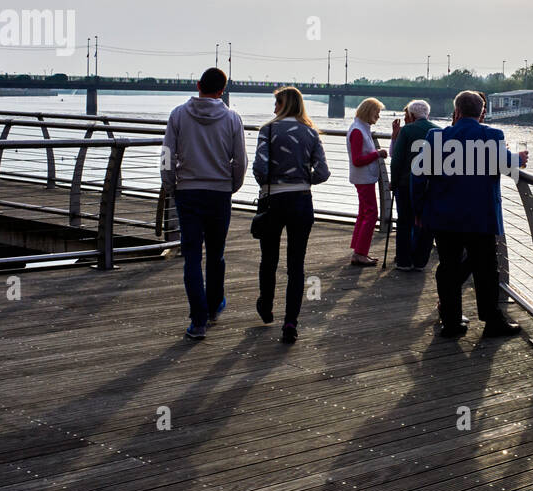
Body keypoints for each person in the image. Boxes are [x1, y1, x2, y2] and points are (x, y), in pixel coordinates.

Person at [412, 90, 529, 339]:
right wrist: (517, 157)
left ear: (456, 112)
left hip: (445, 217)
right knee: (486, 269)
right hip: (481, 217)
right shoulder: (492, 135)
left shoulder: (436, 137)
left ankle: (451, 323)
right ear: (482, 113)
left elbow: (418, 175)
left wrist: (419, 209)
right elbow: (507, 164)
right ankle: (491, 321)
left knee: (448, 267)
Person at [161, 68, 246, 340]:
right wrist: (232, 185)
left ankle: (198, 322)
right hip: (219, 193)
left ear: (198, 85)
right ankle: (213, 306)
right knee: (216, 253)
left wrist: (171, 184)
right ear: (223, 90)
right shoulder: (233, 118)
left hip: (188, 192)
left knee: (192, 257)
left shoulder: (178, 115)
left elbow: (166, 155)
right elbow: (240, 160)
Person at [253, 86, 330, 343]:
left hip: (272, 200)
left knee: (269, 259)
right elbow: (322, 172)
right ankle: (290, 323)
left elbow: (260, 168)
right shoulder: (310, 132)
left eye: (276, 103)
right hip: (301, 201)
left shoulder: (268, 130)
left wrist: (271, 181)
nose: (273, 109)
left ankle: (266, 306)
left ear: (282, 105)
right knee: (296, 265)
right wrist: (301, 178)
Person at [388, 99, 436, 271]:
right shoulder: (439, 130)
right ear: (427, 114)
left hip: (406, 183)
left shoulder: (407, 130)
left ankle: (404, 261)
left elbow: (397, 159)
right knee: (426, 222)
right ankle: (421, 260)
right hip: (430, 185)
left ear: (411, 115)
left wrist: (393, 182)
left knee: (405, 221)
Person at [346, 97, 387, 266]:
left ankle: (358, 250)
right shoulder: (358, 131)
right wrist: (377, 153)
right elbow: (357, 159)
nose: (378, 116)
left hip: (363, 177)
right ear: (368, 111)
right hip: (363, 178)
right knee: (371, 214)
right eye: (377, 112)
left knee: (364, 212)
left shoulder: (361, 128)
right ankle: (361, 253)